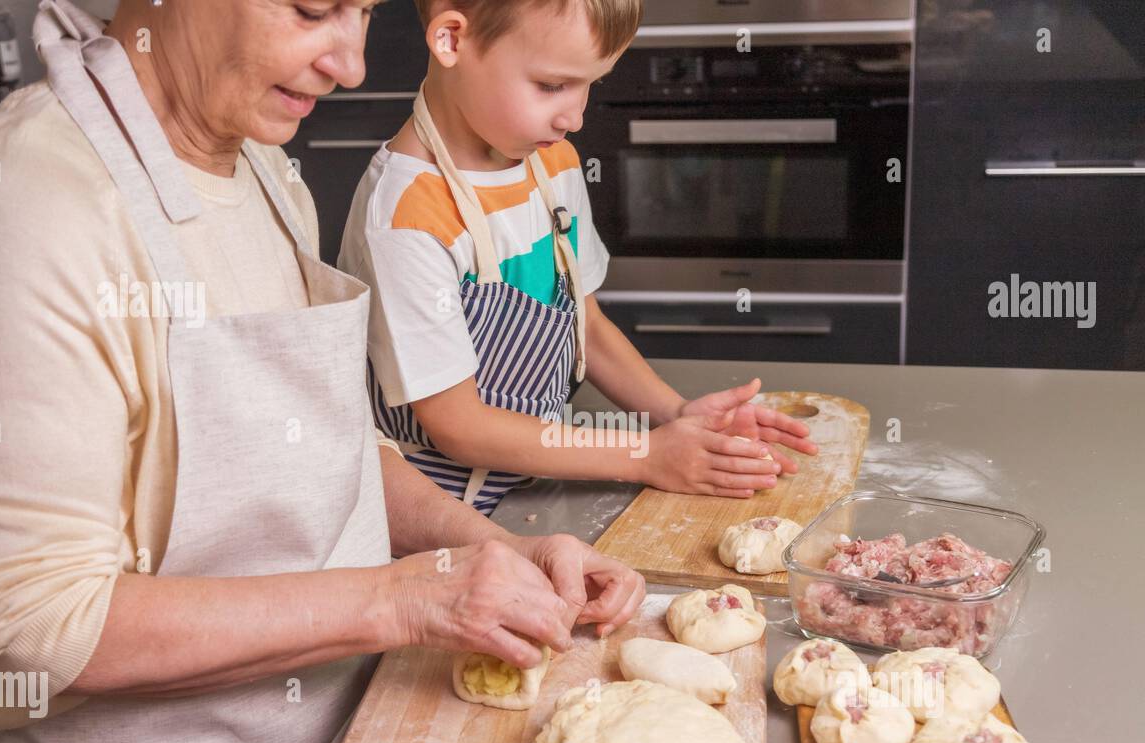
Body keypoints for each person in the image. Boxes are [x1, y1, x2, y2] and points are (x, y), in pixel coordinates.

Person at [0, 0, 643, 743]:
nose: (350, 64)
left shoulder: (266, 168)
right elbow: (26, 626)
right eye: (314, 10)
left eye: (363, 12)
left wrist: (492, 551)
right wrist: (405, 598)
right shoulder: (32, 198)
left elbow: (335, 450)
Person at [340, 0, 818, 515]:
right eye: (551, 85)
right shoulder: (406, 214)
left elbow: (584, 324)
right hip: (441, 517)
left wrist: (677, 416)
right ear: (453, 40)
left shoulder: (551, 162)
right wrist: (645, 455)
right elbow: (460, 426)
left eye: (592, 83)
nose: (575, 116)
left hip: (538, 485)